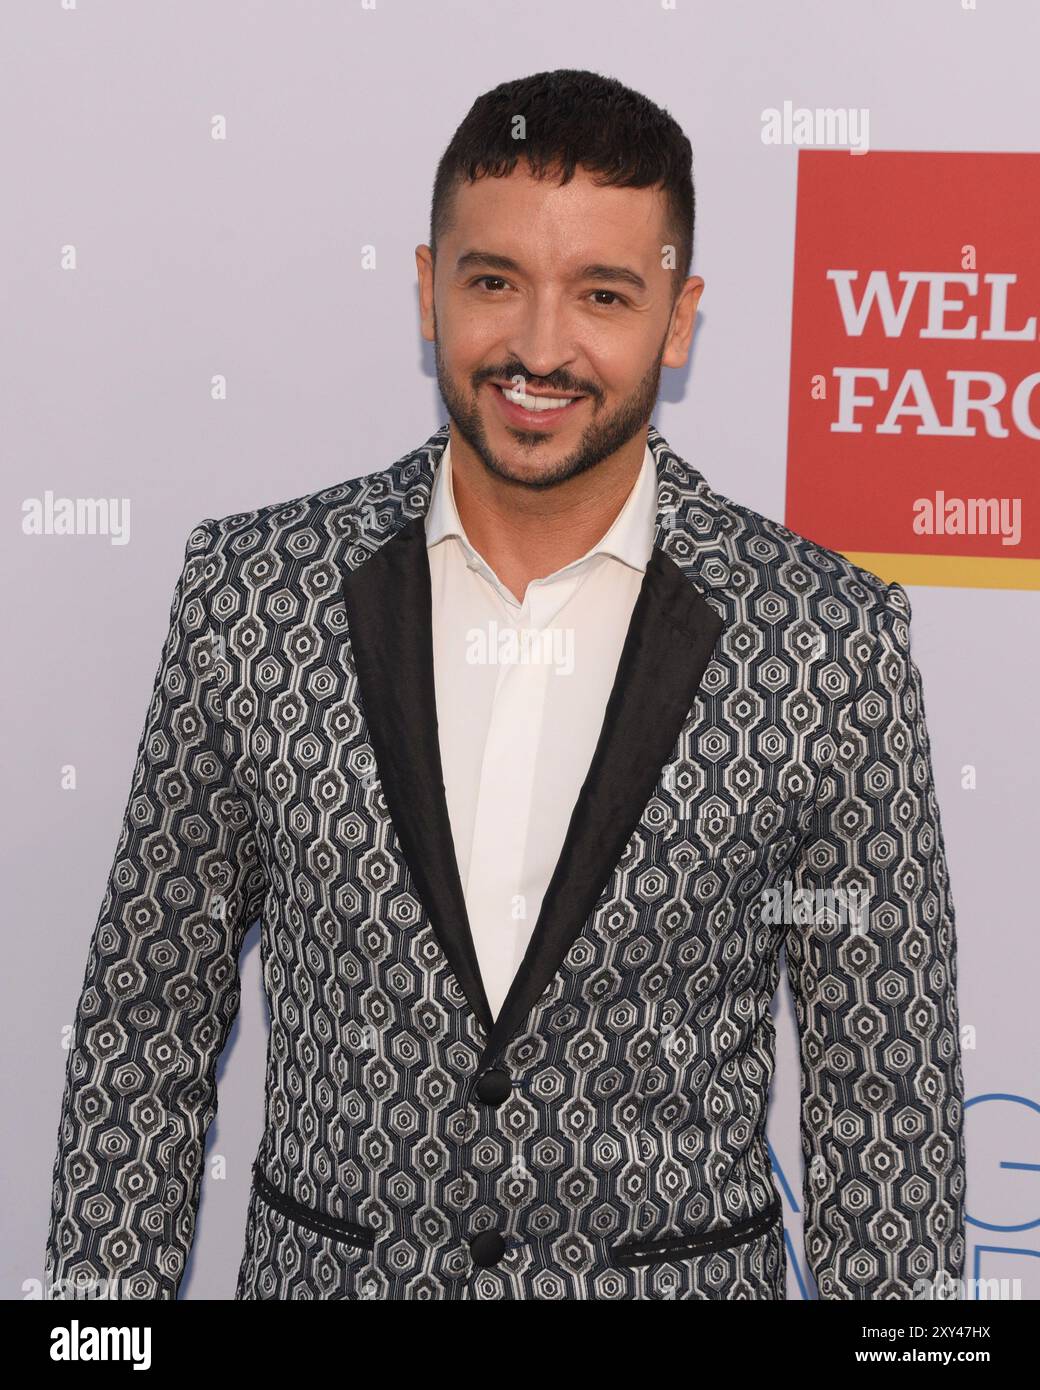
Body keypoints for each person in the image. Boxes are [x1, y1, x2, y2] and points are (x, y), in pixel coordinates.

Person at [45, 68, 966, 1301]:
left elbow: (885, 1094)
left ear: (677, 320)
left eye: (601, 293)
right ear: (428, 289)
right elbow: (141, 1027)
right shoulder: (252, 595)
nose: (539, 348)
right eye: (494, 282)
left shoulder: (823, 640)